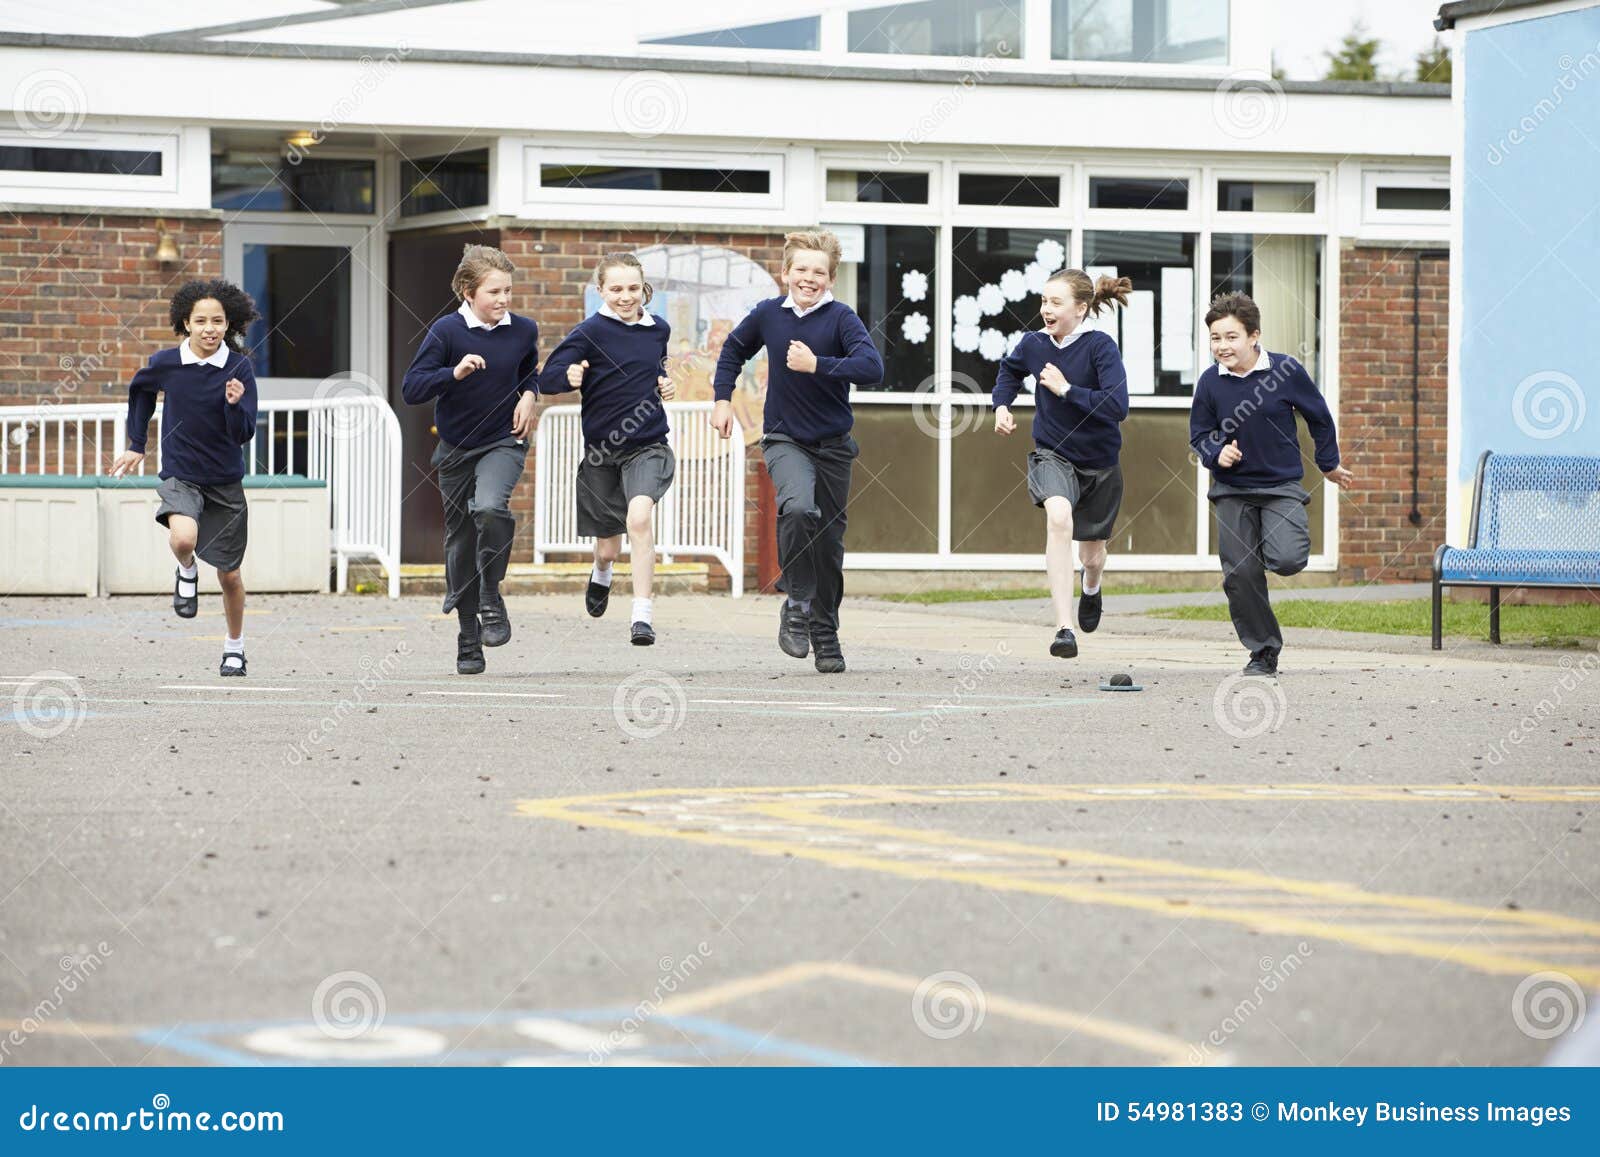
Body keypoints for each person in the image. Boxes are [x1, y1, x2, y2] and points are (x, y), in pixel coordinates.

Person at [711, 229, 884, 674]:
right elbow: (733, 350)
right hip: (785, 439)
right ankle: (796, 602)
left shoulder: (842, 319)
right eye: (802, 269)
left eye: (819, 272)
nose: (810, 278)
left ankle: (825, 634)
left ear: (831, 279)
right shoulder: (769, 315)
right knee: (799, 508)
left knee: (828, 547)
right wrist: (722, 399)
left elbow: (872, 367)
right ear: (785, 272)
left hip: (834, 448)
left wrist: (818, 365)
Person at [1189, 291, 1355, 676]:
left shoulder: (1285, 371)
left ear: (1253, 336)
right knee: (1240, 573)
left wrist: (1329, 464)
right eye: (1216, 338)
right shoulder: (1211, 383)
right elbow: (1199, 433)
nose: (1222, 346)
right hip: (1232, 490)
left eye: (1231, 337)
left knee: (1287, 559)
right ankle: (1263, 650)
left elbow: (1319, 418)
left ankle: (1261, 543)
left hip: (1280, 486)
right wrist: (1217, 452)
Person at [110, 279, 260, 677]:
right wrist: (136, 443)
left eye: (218, 321)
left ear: (229, 324)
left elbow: (245, 432)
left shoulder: (238, 366)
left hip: (225, 479)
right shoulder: (166, 363)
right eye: (201, 321)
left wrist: (232, 404)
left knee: (229, 575)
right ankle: (187, 569)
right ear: (186, 323)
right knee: (183, 539)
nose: (210, 328)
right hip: (181, 473)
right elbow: (140, 392)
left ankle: (234, 647)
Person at [402, 245, 539, 675]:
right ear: (468, 291)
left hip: (504, 440)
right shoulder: (446, 332)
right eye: (494, 292)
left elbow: (529, 371)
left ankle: (490, 595)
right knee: (460, 539)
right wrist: (454, 373)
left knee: (490, 507)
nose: (503, 300)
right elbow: (412, 388)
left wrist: (531, 397)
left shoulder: (523, 329)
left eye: (508, 291)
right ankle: (467, 636)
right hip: (457, 449)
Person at [537, 252, 677, 645]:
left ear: (643, 287)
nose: (626, 296)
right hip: (602, 452)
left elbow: (657, 369)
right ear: (600, 290)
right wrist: (568, 374)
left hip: (647, 445)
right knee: (609, 549)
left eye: (633, 288)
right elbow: (546, 378)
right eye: (616, 289)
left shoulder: (657, 329)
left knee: (639, 518)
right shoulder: (589, 332)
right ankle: (601, 571)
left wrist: (666, 383)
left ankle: (642, 615)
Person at [993, 269, 1132, 658]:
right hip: (1053, 453)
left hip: (1100, 463)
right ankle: (1063, 628)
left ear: (1081, 308)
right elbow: (1009, 370)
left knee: (1092, 555)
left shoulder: (1100, 347)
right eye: (1043, 301)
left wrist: (1066, 389)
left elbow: (1117, 407)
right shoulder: (1034, 344)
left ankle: (1092, 584)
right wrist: (1002, 405)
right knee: (1057, 516)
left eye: (1056, 302)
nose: (1045, 309)